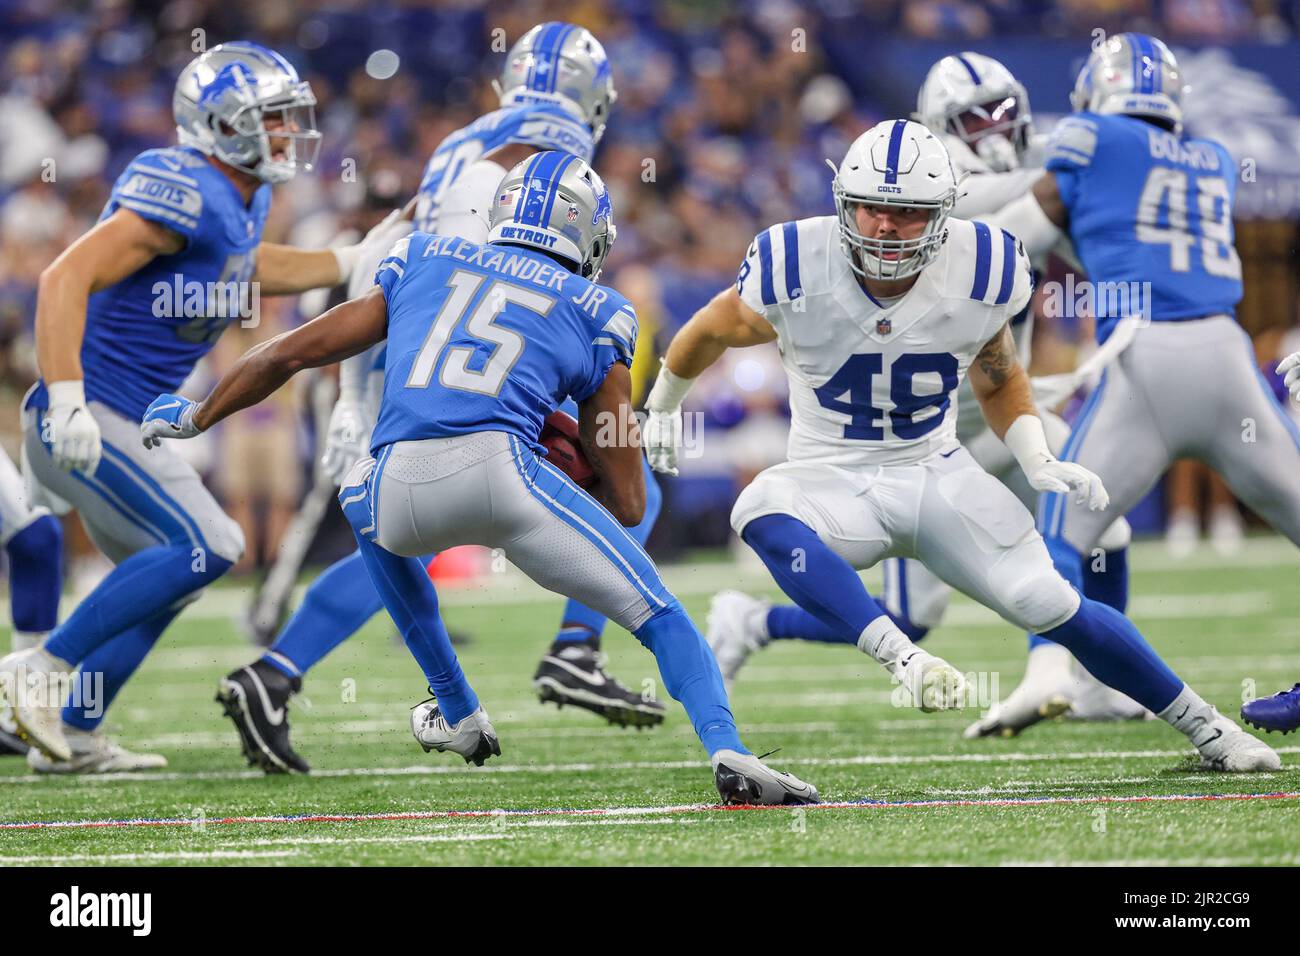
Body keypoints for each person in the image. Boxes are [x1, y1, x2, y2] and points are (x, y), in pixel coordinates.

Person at [140, 151, 819, 805]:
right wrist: (574, 459)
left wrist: (200, 414)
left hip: (396, 483)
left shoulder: (421, 256)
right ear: (584, 231)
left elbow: (286, 353)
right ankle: (719, 743)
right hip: (507, 475)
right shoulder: (596, 307)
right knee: (662, 616)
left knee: (362, 502)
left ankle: (458, 706)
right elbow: (630, 494)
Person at [641, 118, 1278, 774]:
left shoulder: (982, 266)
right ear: (843, 203)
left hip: (934, 470)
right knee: (759, 507)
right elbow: (710, 329)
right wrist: (661, 405)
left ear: (942, 217)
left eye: (907, 214)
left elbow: (999, 379)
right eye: (871, 207)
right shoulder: (794, 261)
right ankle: (902, 657)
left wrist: (1036, 457)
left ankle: (1214, 732)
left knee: (1051, 601)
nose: (885, 227)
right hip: (830, 474)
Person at [222, 23, 663, 776]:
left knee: (400, 535)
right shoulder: (557, 142)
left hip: (416, 343)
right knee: (633, 484)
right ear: (592, 98)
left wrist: (357, 391)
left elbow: (384, 256)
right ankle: (576, 649)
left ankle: (272, 676)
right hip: (487, 352)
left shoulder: (459, 140)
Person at [0, 41, 398, 771]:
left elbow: (245, 266)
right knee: (209, 543)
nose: (289, 133)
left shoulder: (245, 198)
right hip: (87, 412)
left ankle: (75, 731)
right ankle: (33, 672)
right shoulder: (179, 186)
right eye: (274, 119)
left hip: (127, 420)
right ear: (221, 124)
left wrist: (350, 261)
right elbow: (63, 276)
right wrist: (65, 399)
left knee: (176, 575)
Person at [969, 34, 1300, 737]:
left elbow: (1015, 234)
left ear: (1101, 91)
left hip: (1146, 357)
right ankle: (1079, 683)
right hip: (1228, 353)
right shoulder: (1211, 158)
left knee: (1059, 536)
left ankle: (1051, 672)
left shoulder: (1088, 137)